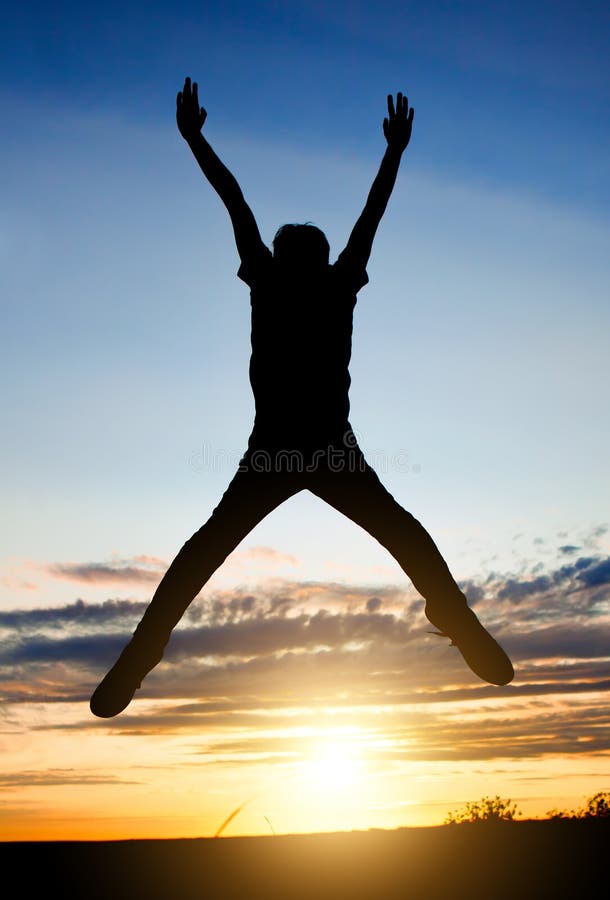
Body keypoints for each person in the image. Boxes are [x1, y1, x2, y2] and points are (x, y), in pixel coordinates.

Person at [90, 79, 513, 718]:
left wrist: (196, 140)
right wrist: (393, 153)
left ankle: (144, 650)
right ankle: (142, 652)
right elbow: (358, 216)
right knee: (399, 534)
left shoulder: (277, 280)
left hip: (289, 451)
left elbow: (240, 203)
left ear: (285, 257)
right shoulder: (330, 283)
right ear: (317, 258)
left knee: (211, 550)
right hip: (316, 450)